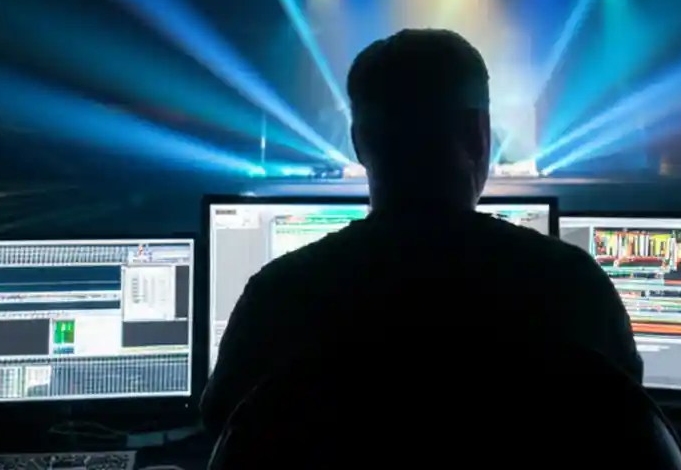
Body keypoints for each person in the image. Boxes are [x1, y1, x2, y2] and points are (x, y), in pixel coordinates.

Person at [202, 29, 642, 432]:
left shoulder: (280, 295)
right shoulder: (571, 284)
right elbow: (633, 430)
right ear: (478, 135)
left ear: (359, 142)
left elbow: (224, 430)